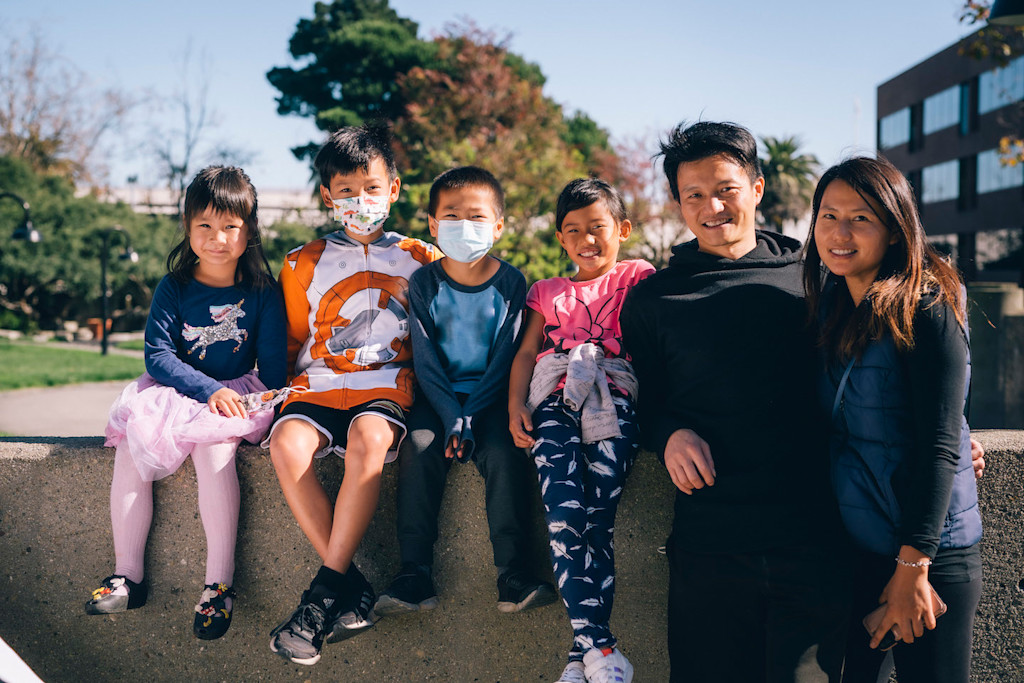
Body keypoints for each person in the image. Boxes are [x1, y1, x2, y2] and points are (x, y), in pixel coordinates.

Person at [619, 121, 851, 682]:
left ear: (756, 188)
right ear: (677, 202)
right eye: (693, 194)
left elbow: (878, 375)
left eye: (725, 188)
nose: (711, 206)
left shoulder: (816, 280)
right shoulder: (654, 298)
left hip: (814, 541)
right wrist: (668, 432)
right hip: (710, 549)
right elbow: (639, 398)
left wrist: (949, 435)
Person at [87, 166, 287, 641]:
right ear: (187, 225)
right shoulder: (173, 287)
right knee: (134, 449)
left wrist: (236, 397)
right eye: (205, 226)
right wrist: (206, 390)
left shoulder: (263, 292)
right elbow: (157, 356)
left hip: (237, 394)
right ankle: (126, 575)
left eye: (231, 227)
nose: (218, 238)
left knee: (216, 452)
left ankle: (219, 586)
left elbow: (276, 369)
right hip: (175, 393)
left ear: (250, 229)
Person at [803, 156, 982, 683]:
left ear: (895, 228)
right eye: (828, 216)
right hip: (859, 548)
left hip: (929, 557)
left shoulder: (927, 306)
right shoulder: (830, 303)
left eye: (861, 218)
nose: (840, 233)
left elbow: (938, 442)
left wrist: (912, 566)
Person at [266, 124, 440, 666]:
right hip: (316, 388)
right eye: (345, 191)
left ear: (394, 189)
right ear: (327, 197)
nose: (358, 201)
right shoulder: (300, 262)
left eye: (370, 187)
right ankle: (349, 583)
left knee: (369, 438)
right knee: (286, 447)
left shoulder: (422, 258)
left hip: (385, 389)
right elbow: (294, 339)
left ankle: (321, 594)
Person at [374, 166, 557, 618]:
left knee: (504, 453)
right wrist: (451, 416)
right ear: (433, 225)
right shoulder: (425, 283)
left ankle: (513, 573)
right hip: (437, 401)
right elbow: (427, 359)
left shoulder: (514, 284)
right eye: (452, 216)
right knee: (418, 447)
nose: (464, 226)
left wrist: (471, 417)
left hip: (491, 401)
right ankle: (414, 573)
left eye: (477, 217)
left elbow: (504, 360)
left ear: (497, 225)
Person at [509, 178, 654, 683]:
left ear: (624, 230)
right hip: (554, 398)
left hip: (613, 400)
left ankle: (582, 654)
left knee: (597, 521)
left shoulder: (639, 276)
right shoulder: (546, 292)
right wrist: (514, 407)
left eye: (598, 228)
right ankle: (604, 648)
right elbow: (527, 353)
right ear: (560, 239)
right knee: (563, 516)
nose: (586, 240)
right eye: (573, 231)